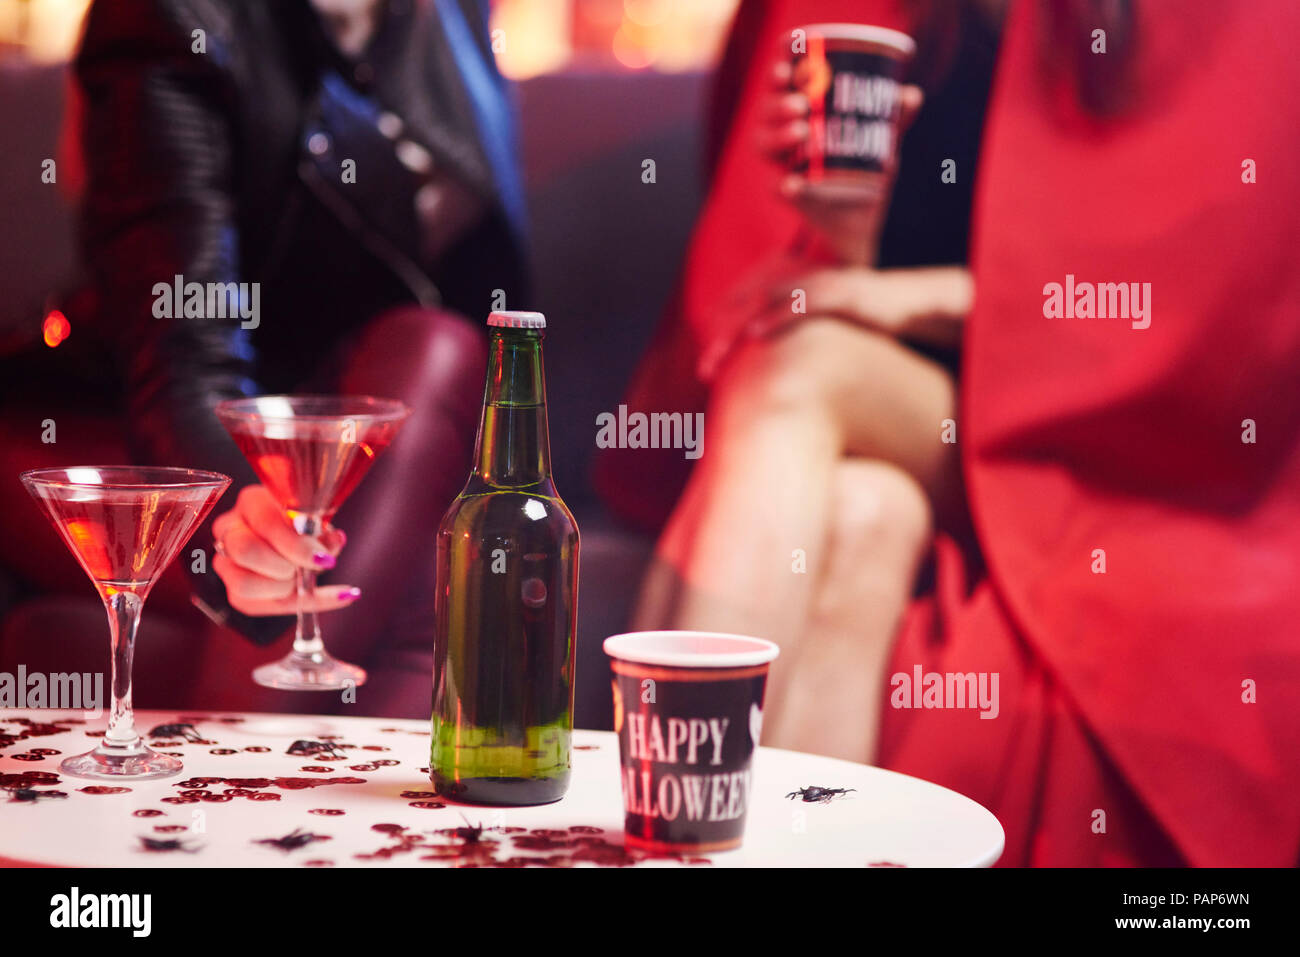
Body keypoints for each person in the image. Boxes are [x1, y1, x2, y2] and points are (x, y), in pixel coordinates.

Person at [605, 0, 1300, 867]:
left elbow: (1188, 312)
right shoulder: (905, 30)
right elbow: (829, 294)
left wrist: (915, 295)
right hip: (918, 422)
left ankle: (661, 843)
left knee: (795, 368)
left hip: (1103, 445)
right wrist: (841, 237)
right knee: (871, 510)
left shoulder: (1198, 36)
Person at [0, 0, 527, 716]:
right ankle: (256, 787)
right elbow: (185, 354)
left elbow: (492, 311)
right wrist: (241, 523)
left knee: (434, 356)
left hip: (354, 430)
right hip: (125, 433)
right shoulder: (171, 15)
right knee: (425, 603)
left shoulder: (454, 13)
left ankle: (221, 754)